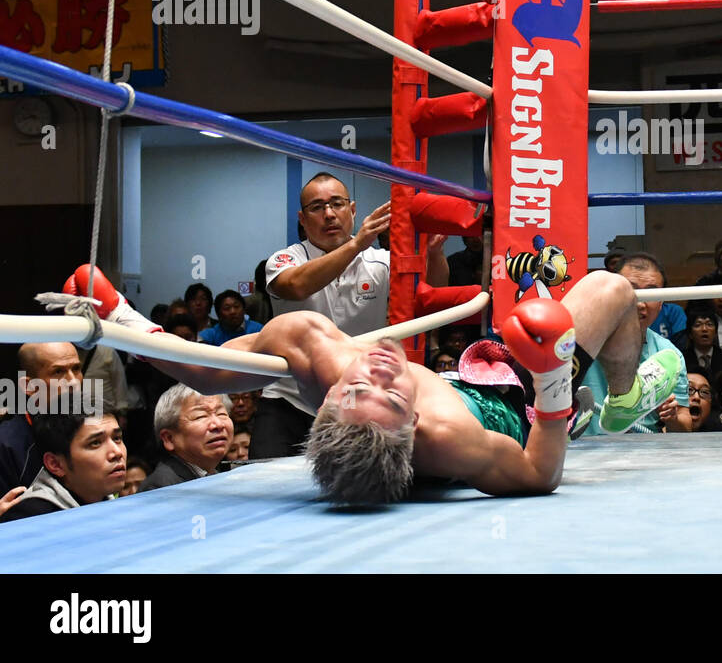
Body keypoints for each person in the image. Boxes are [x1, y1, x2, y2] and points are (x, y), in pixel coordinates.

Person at [66, 265, 680, 501]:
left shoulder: (317, 351)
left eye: (360, 389)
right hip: (513, 393)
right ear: (412, 423)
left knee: (284, 335)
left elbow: (206, 370)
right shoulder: (448, 437)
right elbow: (539, 474)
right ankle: (620, 400)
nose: (381, 371)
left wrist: (120, 320)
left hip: (462, 370)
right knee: (614, 288)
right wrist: (551, 383)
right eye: (393, 396)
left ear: (327, 398)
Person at [258, 173, 398, 458]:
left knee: (362, 489)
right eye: (317, 207)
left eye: (337, 204)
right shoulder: (285, 259)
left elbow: (431, 289)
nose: (330, 214)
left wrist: (434, 253)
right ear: (302, 217)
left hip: (359, 399)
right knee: (261, 484)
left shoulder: (381, 261)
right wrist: (356, 244)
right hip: (289, 401)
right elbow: (295, 286)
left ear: (353, 210)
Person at [585, 254, 692, 435]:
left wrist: (672, 417)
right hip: (582, 452)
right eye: (631, 290)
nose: (640, 303)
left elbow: (685, 427)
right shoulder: (582, 338)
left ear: (661, 303)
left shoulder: (669, 355)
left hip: (644, 452)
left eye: (651, 293)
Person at [0, 403, 126, 523]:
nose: (116, 452)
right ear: (55, 464)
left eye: (117, 438)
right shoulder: (30, 518)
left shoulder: (111, 499)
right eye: (95, 443)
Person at [0, 341, 83, 494]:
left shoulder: (96, 426)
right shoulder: (7, 445)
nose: (73, 381)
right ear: (29, 386)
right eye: (58, 372)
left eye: (76, 368)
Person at [139, 386, 234, 491]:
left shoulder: (218, 477)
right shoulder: (160, 488)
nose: (218, 424)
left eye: (221, 413)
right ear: (169, 438)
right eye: (200, 416)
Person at [199, 290, 265, 346]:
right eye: (227, 308)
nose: (233, 312)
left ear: (244, 309)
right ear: (218, 314)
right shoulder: (211, 334)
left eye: (236, 306)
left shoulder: (258, 330)